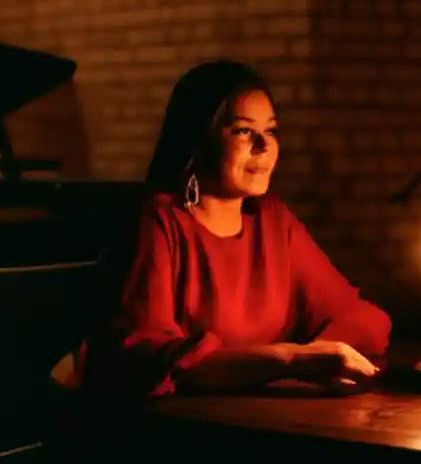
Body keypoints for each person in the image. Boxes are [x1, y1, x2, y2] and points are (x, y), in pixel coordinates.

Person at [81, 61, 390, 398]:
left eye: (271, 130)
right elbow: (146, 355)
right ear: (198, 138)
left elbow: (362, 317)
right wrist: (287, 360)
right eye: (244, 131)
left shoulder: (271, 221)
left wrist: (316, 357)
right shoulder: (159, 223)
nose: (264, 145)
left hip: (272, 418)